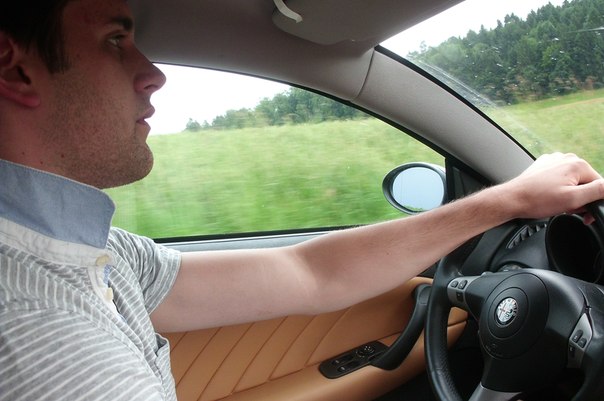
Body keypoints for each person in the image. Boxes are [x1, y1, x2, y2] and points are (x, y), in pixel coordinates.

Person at [0, 1, 603, 400]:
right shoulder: (35, 327)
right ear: (14, 69)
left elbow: (309, 273)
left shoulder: (98, 252)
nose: (153, 73)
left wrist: (507, 199)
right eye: (115, 40)